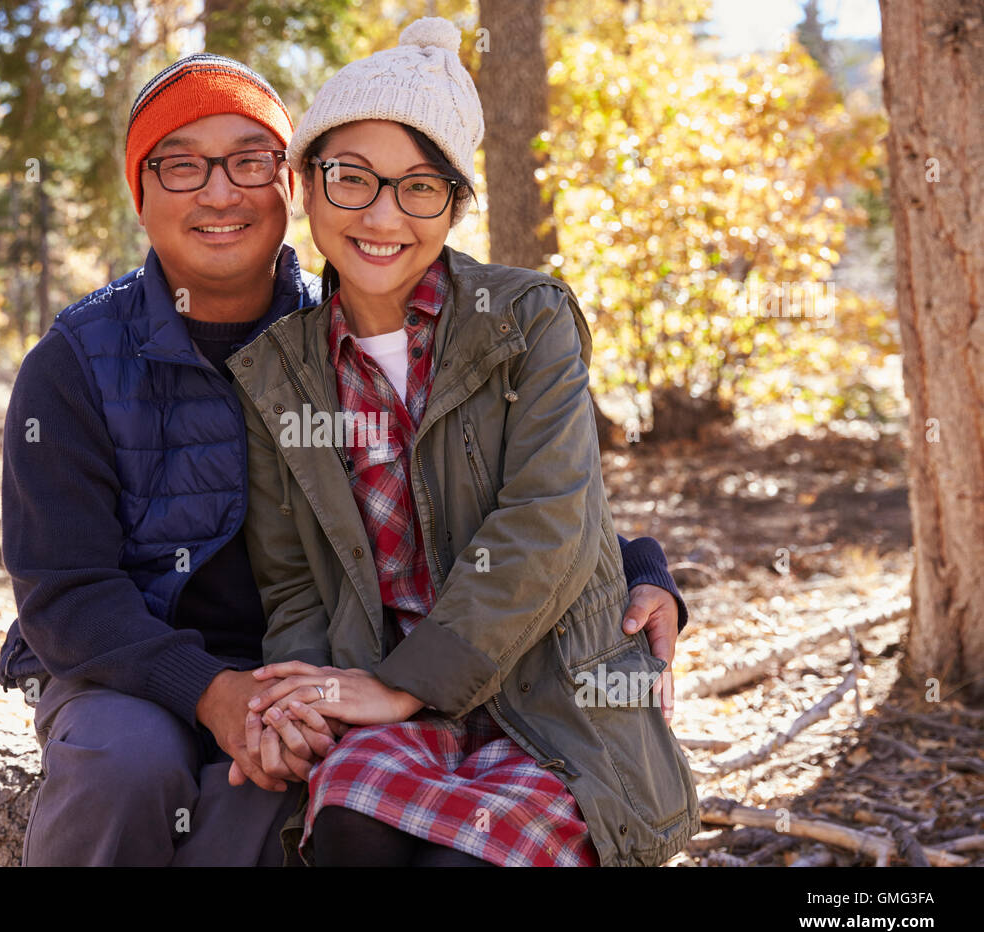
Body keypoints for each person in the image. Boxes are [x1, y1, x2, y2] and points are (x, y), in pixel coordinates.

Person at [0, 48, 688, 866]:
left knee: (281, 810)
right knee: (128, 766)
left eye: (250, 161)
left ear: (288, 184)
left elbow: (498, 495)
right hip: (136, 670)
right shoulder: (78, 361)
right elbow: (66, 591)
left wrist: (639, 566)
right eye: (181, 166)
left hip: (308, 670)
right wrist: (214, 693)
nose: (220, 191)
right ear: (138, 191)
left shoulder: (349, 310)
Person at [227, 18, 700, 866]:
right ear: (303, 184)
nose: (383, 216)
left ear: (453, 204)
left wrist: (402, 686)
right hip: (387, 692)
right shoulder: (278, 373)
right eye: (351, 178)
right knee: (348, 834)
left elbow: (547, 522)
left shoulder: (527, 321)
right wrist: (301, 700)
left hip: (556, 693)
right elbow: (293, 583)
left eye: (420, 187)